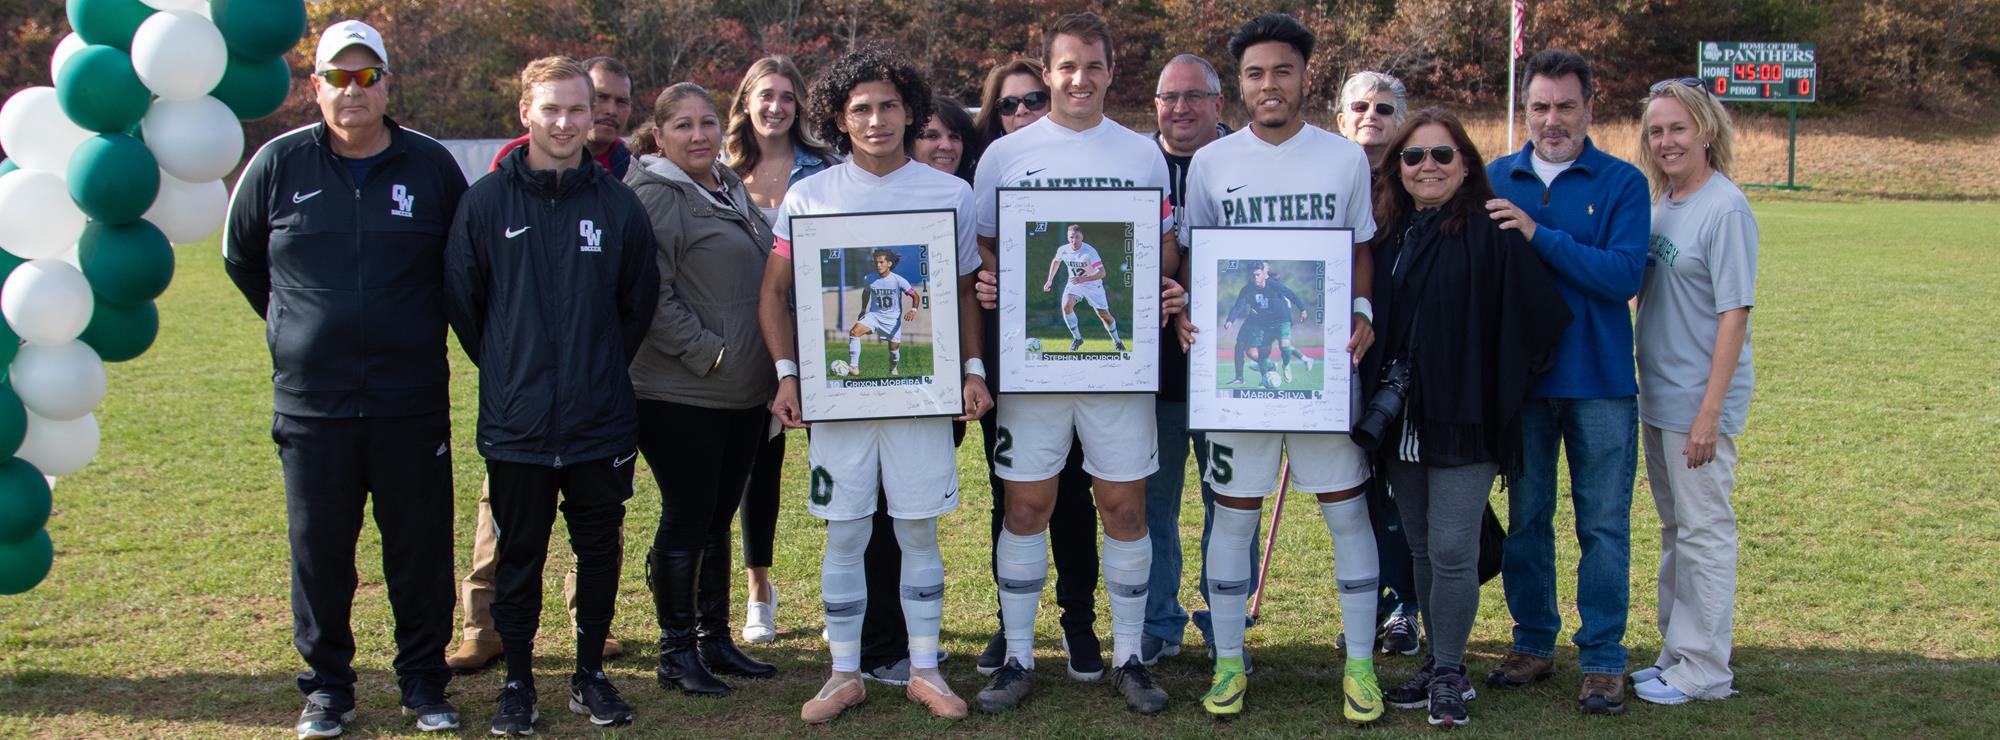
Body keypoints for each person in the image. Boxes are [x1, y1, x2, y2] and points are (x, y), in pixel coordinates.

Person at [223, 20, 467, 739]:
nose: (351, 90)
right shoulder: (277, 164)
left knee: (418, 551)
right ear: (315, 84)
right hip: (313, 406)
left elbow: (463, 269)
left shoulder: (430, 167)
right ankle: (328, 688)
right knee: (320, 552)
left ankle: (424, 680)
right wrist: (296, 330)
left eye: (366, 77)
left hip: (409, 400)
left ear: (388, 83)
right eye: (337, 76)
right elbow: (243, 263)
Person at [758, 46, 992, 723]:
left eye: (889, 104)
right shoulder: (810, 195)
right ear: (839, 116)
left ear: (910, 109)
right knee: (845, 533)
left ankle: (924, 669)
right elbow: (774, 295)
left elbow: (966, 295)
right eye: (861, 107)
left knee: (918, 530)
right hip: (838, 403)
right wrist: (788, 375)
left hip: (924, 398)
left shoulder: (949, 192)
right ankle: (842, 673)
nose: (877, 118)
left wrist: (973, 370)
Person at [970, 11, 1187, 715]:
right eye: (1067, 66)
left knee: (1123, 508)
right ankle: (1019, 657)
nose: (1079, 79)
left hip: (1117, 370)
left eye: (1093, 65)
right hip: (1033, 367)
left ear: (1110, 70)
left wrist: (1165, 282)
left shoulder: (1141, 154)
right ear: (1047, 69)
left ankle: (1129, 657)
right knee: (1027, 505)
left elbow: (1161, 248)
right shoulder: (1006, 154)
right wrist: (994, 280)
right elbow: (985, 250)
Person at [1173, 13, 1382, 721]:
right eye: (1256, 73)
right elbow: (1194, 258)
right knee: (1232, 516)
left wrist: (1362, 309)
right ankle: (1229, 663)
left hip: (1324, 379)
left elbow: (1359, 247)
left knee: (1347, 515)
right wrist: (1183, 313)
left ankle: (1359, 665)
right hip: (1234, 384)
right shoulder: (1212, 163)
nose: (1270, 85)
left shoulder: (1343, 158)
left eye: (1283, 71)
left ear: (1304, 76)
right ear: (1241, 83)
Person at [443, 56, 659, 735]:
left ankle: (589, 674)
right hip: (518, 423)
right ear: (525, 113)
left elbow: (636, 305)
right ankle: (518, 682)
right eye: (552, 109)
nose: (566, 122)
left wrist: (591, 367)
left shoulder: (618, 204)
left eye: (577, 109)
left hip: (600, 419)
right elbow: (465, 304)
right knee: (519, 556)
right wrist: (515, 367)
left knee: (598, 552)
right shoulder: (485, 203)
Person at [1366, 108, 1572, 728]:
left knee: (1455, 547)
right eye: (1413, 157)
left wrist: (1490, 386)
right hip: (1400, 417)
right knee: (1423, 546)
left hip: (1465, 419)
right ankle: (1436, 659)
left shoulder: (1493, 228)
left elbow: (1541, 319)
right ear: (1398, 169)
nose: (1427, 166)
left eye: (1442, 155)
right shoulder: (1387, 233)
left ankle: (1452, 672)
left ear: (1466, 165)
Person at [1483, 49, 1651, 716]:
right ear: (1525, 110)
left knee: (1603, 525)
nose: (1552, 120)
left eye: (1565, 107)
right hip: (1524, 387)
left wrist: (1536, 235)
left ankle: (1604, 656)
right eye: (1540, 107)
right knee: (1527, 521)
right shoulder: (1496, 175)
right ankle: (1532, 641)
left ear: (1590, 108)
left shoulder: (1622, 182)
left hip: (1601, 382)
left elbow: (1621, 276)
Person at [621, 81, 782, 699]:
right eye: (682, 126)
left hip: (740, 390)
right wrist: (708, 352)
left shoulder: (725, 184)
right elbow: (648, 294)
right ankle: (675, 650)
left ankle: (714, 638)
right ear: (659, 135)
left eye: (708, 123)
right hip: (680, 391)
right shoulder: (656, 195)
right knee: (688, 517)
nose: (698, 136)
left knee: (716, 517)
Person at [969, 57, 1106, 685]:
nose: (1022, 113)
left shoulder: (1109, 155)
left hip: (1092, 376)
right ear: (992, 115)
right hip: (1013, 359)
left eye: (1031, 102)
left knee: (1076, 495)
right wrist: (1000, 277)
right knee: (1014, 498)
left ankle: (1078, 623)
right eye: (1009, 105)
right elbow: (983, 247)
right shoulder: (996, 166)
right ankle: (1010, 623)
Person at [1630, 77, 1757, 706]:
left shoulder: (1725, 207)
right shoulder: (1662, 202)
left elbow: (1735, 313)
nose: (1666, 141)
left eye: (1678, 128)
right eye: (1656, 130)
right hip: (1658, 396)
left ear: (1706, 130)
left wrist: (1710, 412)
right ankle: (1677, 651)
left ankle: (1706, 669)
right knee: (1677, 528)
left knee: (1705, 531)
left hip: (1697, 403)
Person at [723, 56, 839, 645]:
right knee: (755, 469)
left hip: (823, 340)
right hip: (747, 340)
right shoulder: (718, 173)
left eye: (788, 97)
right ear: (746, 101)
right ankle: (758, 591)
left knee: (837, 463)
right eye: (765, 95)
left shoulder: (825, 171)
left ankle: (841, 588)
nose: (776, 107)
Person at [1145, 53, 1235, 667]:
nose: (1181, 108)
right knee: (1154, 505)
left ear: (1219, 104)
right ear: (1155, 104)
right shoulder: (1133, 163)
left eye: (1194, 96)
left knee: (1228, 505)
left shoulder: (1241, 164)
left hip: (1229, 369)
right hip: (1153, 373)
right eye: (1169, 97)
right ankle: (1158, 622)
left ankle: (1224, 621)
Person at [1334, 69, 1423, 657]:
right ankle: (1372, 602)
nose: (1372, 116)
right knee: (1355, 495)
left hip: (1406, 366)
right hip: (1339, 363)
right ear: (1340, 119)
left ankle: (1407, 608)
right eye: (1360, 106)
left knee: (1404, 496)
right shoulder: (1326, 178)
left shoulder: (1420, 184)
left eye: (1385, 109)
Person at [485, 56, 636, 178]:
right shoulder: (514, 157)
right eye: (601, 97)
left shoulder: (631, 163)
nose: (611, 110)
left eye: (622, 101)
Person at [1042, 224, 1127, 351]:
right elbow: (1056, 261)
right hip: (1075, 284)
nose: (1074, 240)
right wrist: (1049, 280)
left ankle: (1117, 341)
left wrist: (1083, 279)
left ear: (1082, 237)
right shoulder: (1063, 249)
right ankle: (1077, 338)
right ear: (1067, 237)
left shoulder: (1089, 252)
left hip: (1093, 285)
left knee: (1104, 315)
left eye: (1077, 237)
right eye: (1071, 237)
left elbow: (1102, 273)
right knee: (1066, 305)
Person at [1335, 71, 1408, 168]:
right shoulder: (1321, 170)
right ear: (1343, 123)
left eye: (1383, 109)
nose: (1371, 115)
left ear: (1399, 125)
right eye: (1360, 107)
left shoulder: (1411, 175)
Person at [973, 58, 1052, 148]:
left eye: (1033, 100)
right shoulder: (989, 159)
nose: (1020, 111)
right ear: (997, 115)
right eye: (1008, 104)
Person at [912, 95, 976, 181]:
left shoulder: (977, 192)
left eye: (954, 137)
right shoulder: (890, 191)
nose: (947, 146)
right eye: (932, 136)